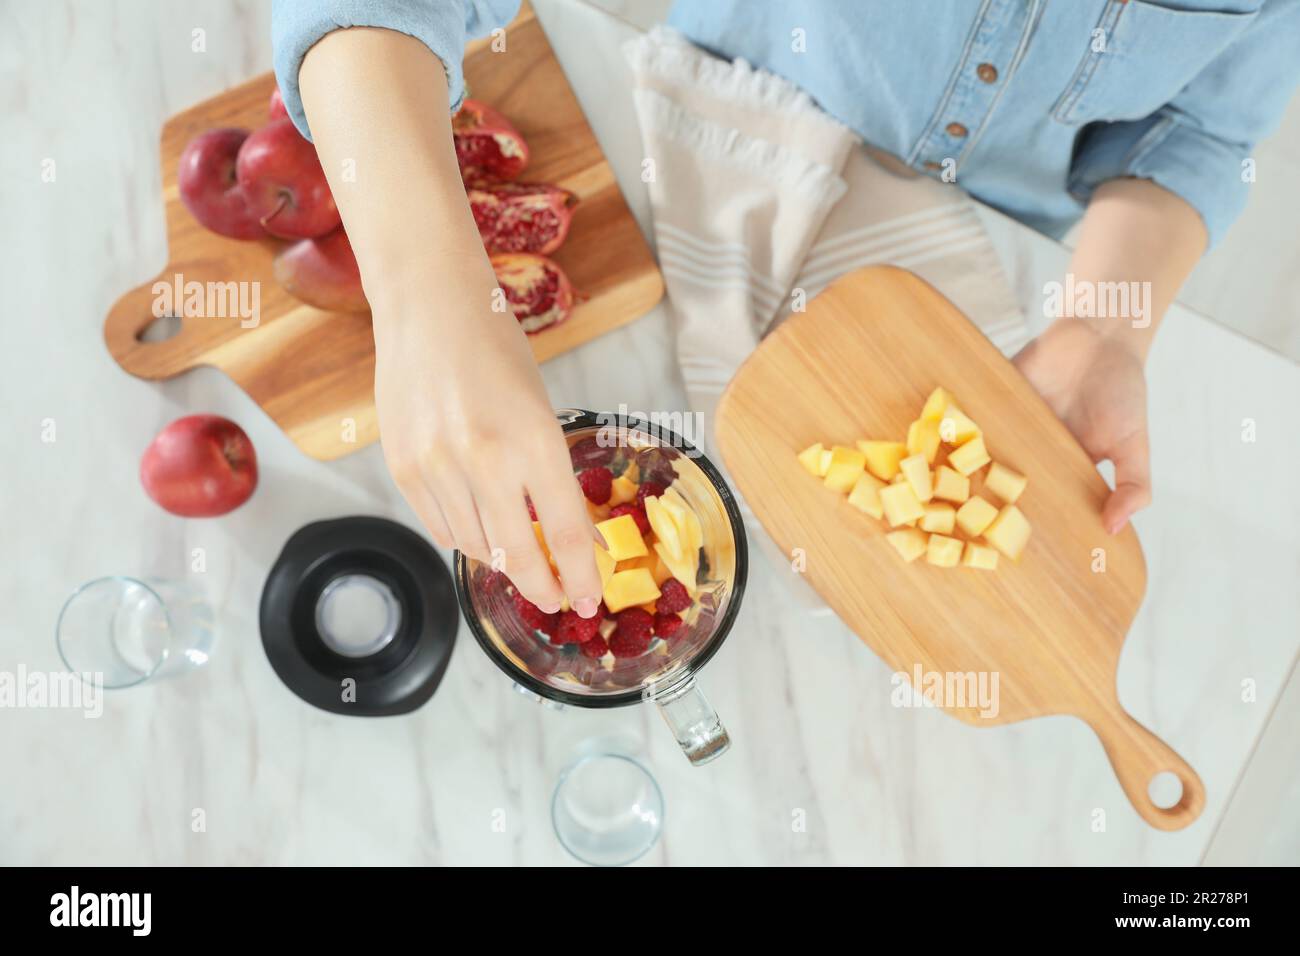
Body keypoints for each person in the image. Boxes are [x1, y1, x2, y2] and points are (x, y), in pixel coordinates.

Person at [271, 0, 1300, 614]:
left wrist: (1104, 326)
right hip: (717, 128)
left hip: (993, 240)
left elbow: (1199, 134)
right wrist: (428, 300)